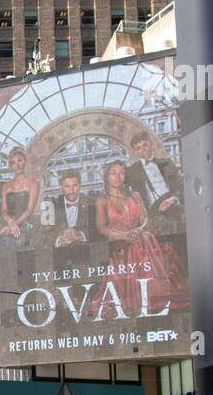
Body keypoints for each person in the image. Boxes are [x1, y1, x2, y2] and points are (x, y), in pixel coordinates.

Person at [96, 161, 190, 312]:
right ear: (107, 177)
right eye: (113, 173)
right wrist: (125, 235)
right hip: (120, 243)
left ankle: (155, 297)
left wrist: (138, 230)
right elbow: (102, 227)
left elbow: (145, 219)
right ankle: (141, 300)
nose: (118, 177)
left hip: (141, 237)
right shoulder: (103, 200)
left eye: (121, 173)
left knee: (145, 243)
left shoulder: (134, 195)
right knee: (133, 250)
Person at [124, 131, 184, 219]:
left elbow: (179, 185)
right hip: (152, 209)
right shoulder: (131, 171)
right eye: (138, 148)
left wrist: (172, 199)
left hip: (171, 200)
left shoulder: (167, 163)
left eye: (145, 145)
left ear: (151, 145)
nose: (143, 149)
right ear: (135, 152)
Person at [0, 147, 39, 250]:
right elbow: (4, 210)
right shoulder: (6, 186)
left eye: (20, 160)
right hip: (10, 223)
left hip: (26, 223)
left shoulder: (33, 183)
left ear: (25, 161)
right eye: (13, 162)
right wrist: (10, 222)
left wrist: (14, 225)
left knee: (18, 242)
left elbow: (29, 210)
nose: (17, 165)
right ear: (10, 165)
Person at [47, 170, 98, 251]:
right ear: (61, 188)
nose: (71, 190)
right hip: (60, 254)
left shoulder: (92, 203)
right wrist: (60, 239)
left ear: (80, 186)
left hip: (87, 251)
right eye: (67, 186)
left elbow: (98, 230)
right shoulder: (51, 206)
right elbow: (44, 234)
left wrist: (80, 235)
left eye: (75, 185)